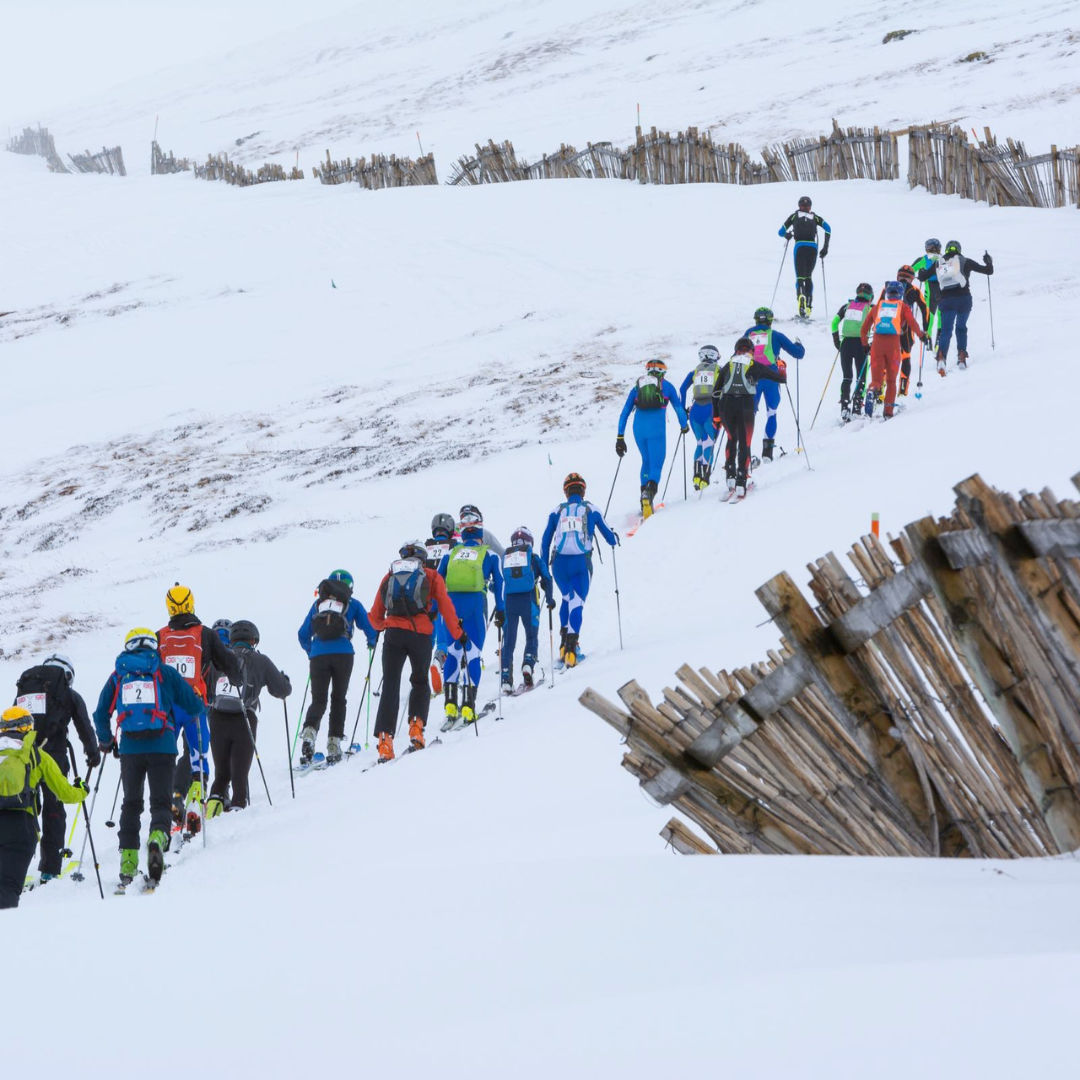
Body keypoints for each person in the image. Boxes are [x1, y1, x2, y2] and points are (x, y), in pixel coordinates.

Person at [93, 628, 205, 887]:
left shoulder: (119, 675)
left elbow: (100, 712)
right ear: (154, 647)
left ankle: (128, 862)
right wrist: (199, 700)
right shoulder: (164, 672)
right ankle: (157, 838)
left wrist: (107, 740)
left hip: (131, 750)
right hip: (163, 746)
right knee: (161, 803)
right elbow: (193, 706)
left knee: (131, 804)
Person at [368, 541, 464, 761]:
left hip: (393, 635)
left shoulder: (390, 575)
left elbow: (375, 615)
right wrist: (459, 634)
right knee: (419, 681)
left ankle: (384, 742)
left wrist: (384, 625)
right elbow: (447, 608)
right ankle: (416, 729)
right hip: (420, 635)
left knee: (390, 685)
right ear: (423, 558)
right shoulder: (431, 576)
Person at [158, 584, 240, 834]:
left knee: (166, 755)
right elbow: (227, 662)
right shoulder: (205, 634)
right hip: (196, 704)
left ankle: (170, 795)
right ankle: (195, 797)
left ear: (169, 607)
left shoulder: (160, 636)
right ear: (191, 604)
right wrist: (236, 679)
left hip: (168, 708)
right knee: (198, 753)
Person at [13, 653, 99, 884]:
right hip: (54, 756)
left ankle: (16, 867)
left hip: (24, 757)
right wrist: (93, 754)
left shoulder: (27, 690)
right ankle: (50, 870)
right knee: (54, 809)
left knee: (24, 808)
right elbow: (84, 726)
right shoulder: (69, 695)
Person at [0, 706, 87, 909]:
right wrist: (82, 790)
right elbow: (64, 793)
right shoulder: (35, 754)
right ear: (27, 728)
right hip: (20, 827)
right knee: (8, 887)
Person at [206, 620, 291, 814]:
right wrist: (285, 681)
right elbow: (281, 690)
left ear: (232, 639)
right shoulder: (260, 661)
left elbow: (207, 689)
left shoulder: (218, 660)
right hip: (244, 720)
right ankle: (237, 815)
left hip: (218, 719)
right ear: (254, 640)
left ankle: (211, 813)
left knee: (221, 774)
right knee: (239, 775)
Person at [297, 569, 378, 766]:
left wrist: (312, 651)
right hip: (343, 654)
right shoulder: (353, 604)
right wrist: (372, 642)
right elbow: (369, 628)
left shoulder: (318, 605)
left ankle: (309, 733)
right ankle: (334, 745)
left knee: (318, 700)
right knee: (338, 699)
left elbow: (302, 633)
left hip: (318, 656)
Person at [540, 473, 618, 668]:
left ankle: (563, 644)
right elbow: (609, 537)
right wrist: (615, 538)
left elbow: (545, 540)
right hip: (581, 562)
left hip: (559, 564)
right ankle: (572, 650)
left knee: (567, 598)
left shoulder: (557, 511)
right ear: (583, 490)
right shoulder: (590, 508)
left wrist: (543, 568)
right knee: (577, 602)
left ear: (566, 492)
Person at [437, 508, 504, 728]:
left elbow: (437, 580)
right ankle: (468, 705)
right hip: (476, 604)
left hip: (451, 606)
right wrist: (501, 609)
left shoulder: (451, 553)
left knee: (454, 651)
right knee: (473, 653)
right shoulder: (490, 554)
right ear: (480, 530)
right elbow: (500, 583)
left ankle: (449, 705)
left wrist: (435, 607)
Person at [712, 337, 788, 500]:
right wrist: (781, 368)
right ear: (752, 351)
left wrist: (716, 417)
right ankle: (741, 482)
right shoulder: (754, 365)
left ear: (736, 350)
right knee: (745, 443)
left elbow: (715, 392)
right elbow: (781, 379)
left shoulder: (728, 365)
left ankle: (730, 477)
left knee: (732, 439)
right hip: (745, 405)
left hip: (726, 406)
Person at [615, 359, 689, 518]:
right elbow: (678, 409)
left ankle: (643, 500)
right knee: (657, 464)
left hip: (638, 429)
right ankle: (649, 494)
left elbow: (625, 412)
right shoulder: (667, 386)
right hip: (656, 429)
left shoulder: (637, 386)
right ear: (663, 372)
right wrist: (684, 426)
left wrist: (620, 437)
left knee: (646, 461)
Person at [918, 240, 993, 375]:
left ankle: (941, 358)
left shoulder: (939, 262)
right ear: (959, 249)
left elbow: (922, 277)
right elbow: (988, 271)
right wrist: (988, 261)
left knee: (946, 330)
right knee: (961, 327)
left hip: (946, 301)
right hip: (964, 300)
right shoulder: (965, 261)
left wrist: (922, 270)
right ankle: (962, 356)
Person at [859, 281, 927, 418]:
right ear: (901, 293)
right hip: (893, 345)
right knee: (891, 381)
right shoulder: (903, 307)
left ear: (887, 293)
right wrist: (921, 335)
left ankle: (872, 390)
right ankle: (888, 412)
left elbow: (864, 329)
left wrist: (866, 345)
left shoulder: (878, 306)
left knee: (877, 379)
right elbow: (912, 322)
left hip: (877, 344)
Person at [744, 307, 805, 460]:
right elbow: (798, 354)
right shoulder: (776, 335)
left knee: (749, 415)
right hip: (772, 377)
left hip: (753, 379)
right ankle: (767, 453)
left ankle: (746, 454)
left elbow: (736, 354)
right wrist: (799, 344)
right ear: (770, 321)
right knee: (771, 413)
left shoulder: (748, 334)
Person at [499, 526, 555, 692]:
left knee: (509, 641)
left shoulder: (506, 557)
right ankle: (528, 665)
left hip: (509, 601)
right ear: (530, 542)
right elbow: (547, 578)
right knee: (531, 635)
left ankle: (505, 678)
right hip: (529, 600)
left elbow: (500, 581)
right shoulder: (534, 558)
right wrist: (550, 599)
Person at [778, 195, 831, 318]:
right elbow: (828, 228)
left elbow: (780, 232)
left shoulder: (794, 216)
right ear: (810, 207)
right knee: (808, 276)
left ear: (799, 206)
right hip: (813, 247)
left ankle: (800, 297)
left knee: (800, 277)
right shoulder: (816, 217)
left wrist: (787, 235)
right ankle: (808, 305)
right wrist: (825, 247)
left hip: (799, 246)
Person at [679, 345, 721, 490]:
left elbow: (682, 389)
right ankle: (706, 478)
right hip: (711, 409)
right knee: (709, 443)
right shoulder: (719, 370)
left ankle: (697, 475)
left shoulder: (695, 371)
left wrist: (682, 410)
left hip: (695, 410)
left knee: (700, 443)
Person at [830, 283, 874, 422]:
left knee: (847, 376)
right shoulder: (870, 308)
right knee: (861, 377)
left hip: (846, 343)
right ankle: (856, 408)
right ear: (870, 296)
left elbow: (833, 323)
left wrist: (837, 341)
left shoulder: (846, 306)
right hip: (861, 343)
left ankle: (844, 407)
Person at [896, 265, 929, 397]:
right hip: (907, 328)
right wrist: (925, 329)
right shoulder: (914, 290)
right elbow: (924, 309)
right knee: (905, 357)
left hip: (887, 328)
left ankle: (880, 390)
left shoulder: (888, 287)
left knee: (887, 357)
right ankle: (903, 390)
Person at [911, 238, 942, 346]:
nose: (930, 251)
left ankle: (932, 338)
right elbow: (911, 270)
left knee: (933, 314)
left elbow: (910, 270)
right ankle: (934, 337)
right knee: (936, 314)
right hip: (939, 288)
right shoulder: (942, 259)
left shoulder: (926, 259)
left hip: (935, 289)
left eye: (933, 249)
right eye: (929, 249)